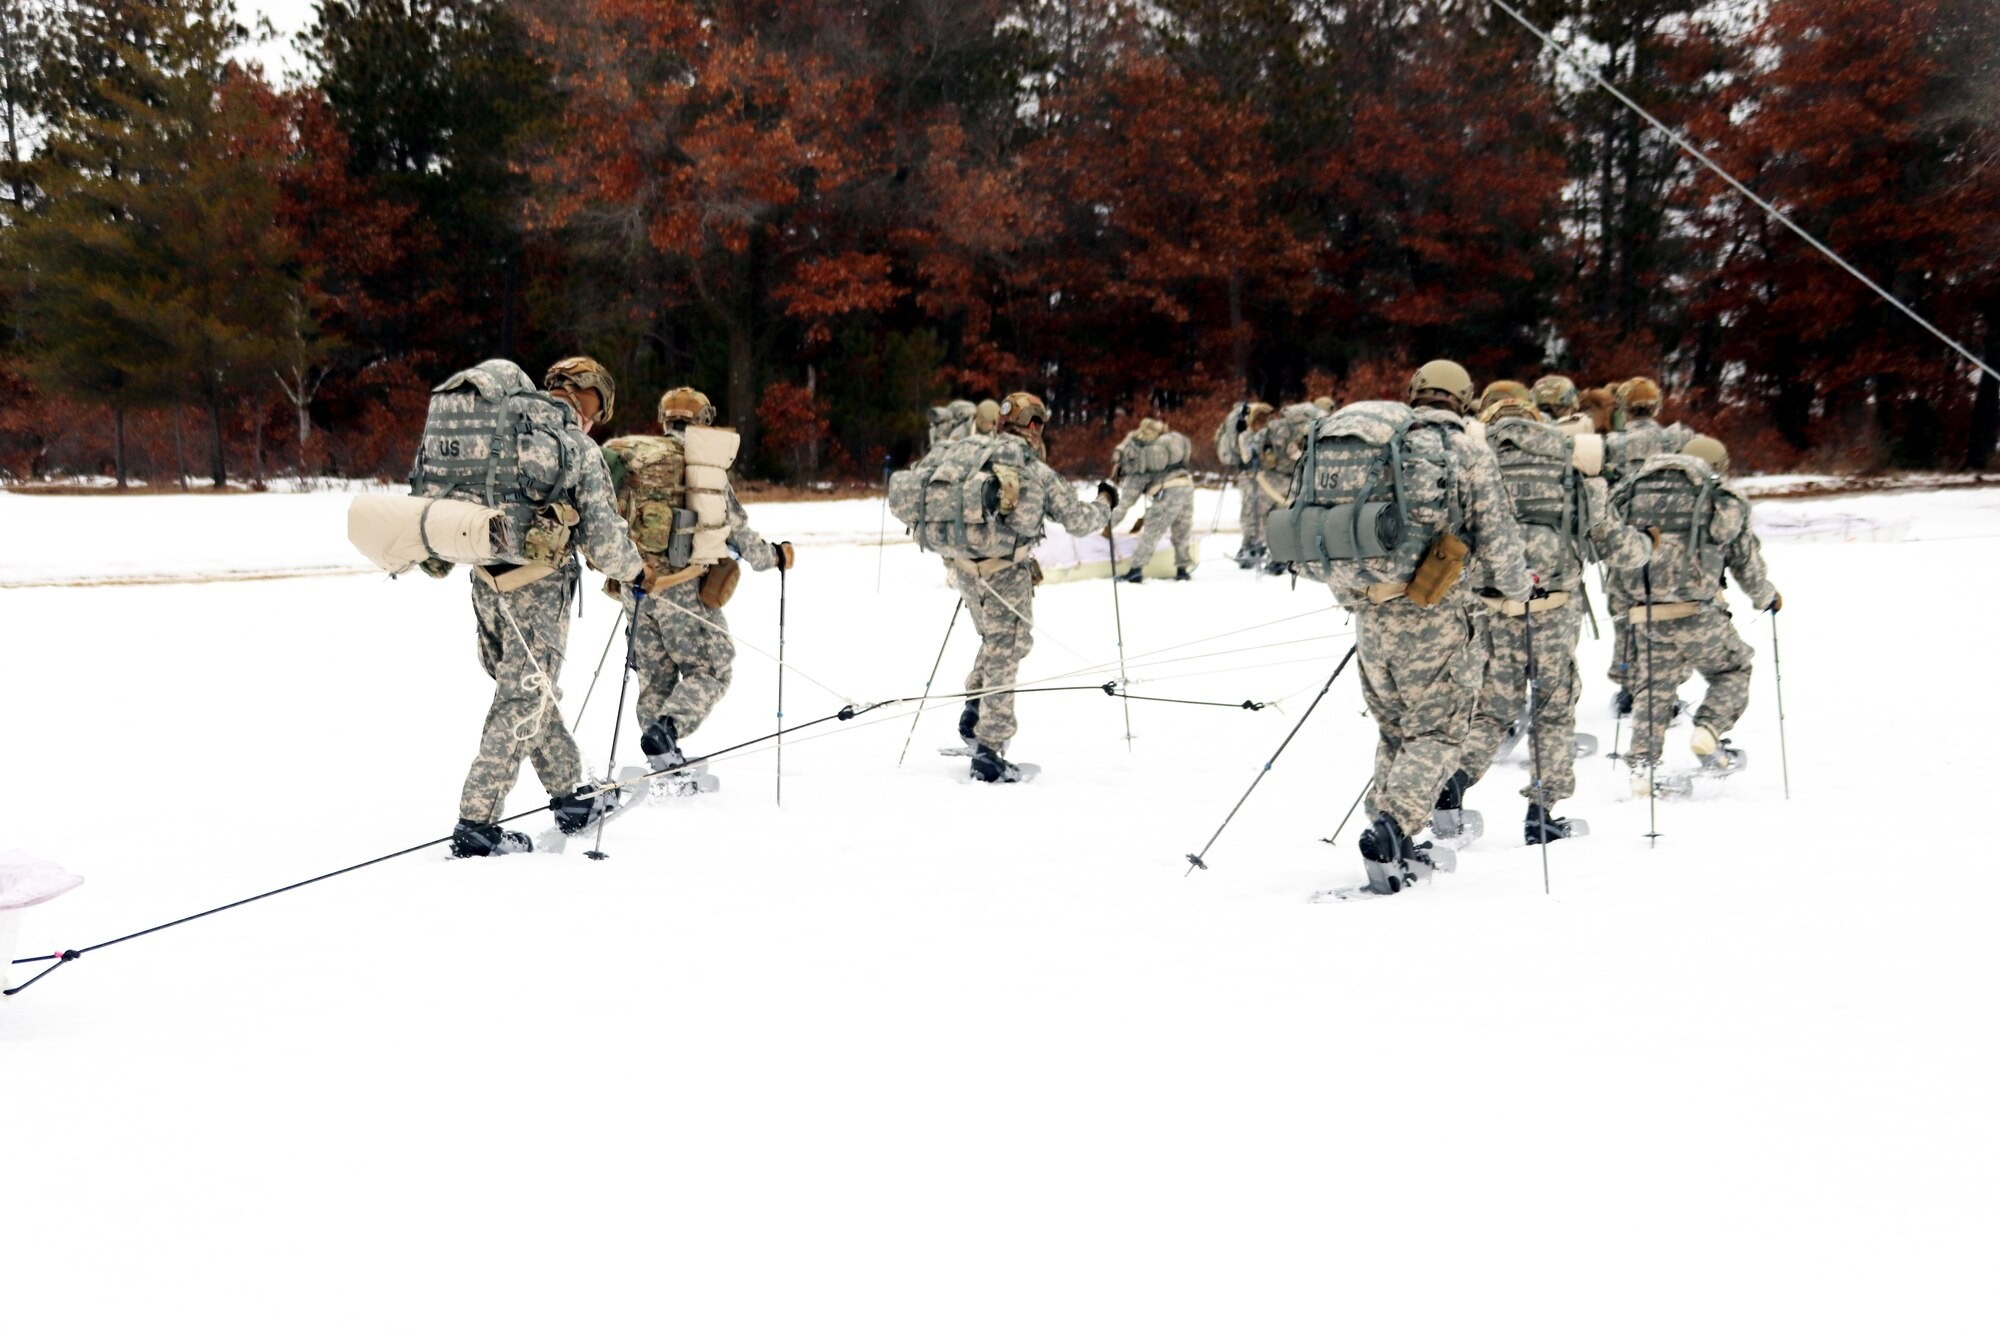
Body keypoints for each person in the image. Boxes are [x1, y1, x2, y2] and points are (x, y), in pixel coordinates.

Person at [1288, 361, 1530, 893]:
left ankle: (1389, 825)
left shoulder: (1379, 439)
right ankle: (1393, 829)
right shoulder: (1465, 449)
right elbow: (1501, 540)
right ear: (1464, 400)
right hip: (1437, 614)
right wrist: (1518, 589)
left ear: (1414, 392)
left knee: (1396, 728)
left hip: (1370, 613)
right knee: (1439, 731)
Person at [408, 356, 647, 857]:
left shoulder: (504, 431)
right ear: (590, 401)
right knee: (523, 698)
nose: (592, 422)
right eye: (596, 411)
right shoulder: (574, 445)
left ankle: (571, 797)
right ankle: (476, 825)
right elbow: (604, 541)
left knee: (527, 692)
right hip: (537, 591)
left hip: (484, 581)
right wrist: (636, 573)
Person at [1447, 381, 1639, 843]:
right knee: (1553, 706)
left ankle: (1454, 782)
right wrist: (1644, 547)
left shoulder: (1470, 461)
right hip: (1554, 605)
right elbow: (1613, 542)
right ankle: (1542, 811)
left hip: (1489, 603)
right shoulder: (1571, 462)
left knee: (1490, 708)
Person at [600, 387, 794, 781]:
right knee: (713, 667)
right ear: (704, 420)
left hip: (634, 584)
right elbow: (734, 528)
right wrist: (774, 556)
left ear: (664, 418)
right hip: (681, 583)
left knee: (655, 676)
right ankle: (666, 732)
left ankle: (661, 760)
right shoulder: (701, 463)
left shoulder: (636, 458)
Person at [940, 391, 1113, 782]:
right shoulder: (1033, 469)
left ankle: (973, 709)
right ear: (1033, 425)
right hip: (1006, 572)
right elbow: (1081, 520)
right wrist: (1106, 501)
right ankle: (988, 750)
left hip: (966, 570)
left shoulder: (970, 454)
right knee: (1006, 652)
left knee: (997, 640)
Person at [1610, 434, 1781, 796]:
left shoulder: (1633, 493)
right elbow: (1744, 560)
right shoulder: (1719, 499)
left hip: (1645, 614)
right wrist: (1766, 597)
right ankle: (1708, 730)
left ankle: (1643, 769)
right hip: (1698, 612)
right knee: (1733, 669)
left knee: (1653, 689)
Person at [1603, 376, 1696, 712]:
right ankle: (1665, 691)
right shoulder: (1677, 439)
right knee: (1669, 613)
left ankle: (1629, 688)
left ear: (1624, 409)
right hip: (1674, 542)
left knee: (1626, 613)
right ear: (1656, 406)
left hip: (1626, 538)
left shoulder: (1613, 443)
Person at [1107, 417, 1196, 582]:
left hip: (1169, 491)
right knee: (1181, 531)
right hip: (1187, 486)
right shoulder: (1168, 449)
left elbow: (1124, 505)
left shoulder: (1139, 468)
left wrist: (1107, 527)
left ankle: (1135, 570)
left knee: (1152, 533)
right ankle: (1182, 570)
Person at [1233, 401, 1276, 566]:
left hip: (1267, 480)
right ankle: (1250, 545)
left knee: (1266, 514)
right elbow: (1246, 457)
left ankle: (1266, 545)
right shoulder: (1245, 435)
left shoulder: (1270, 434)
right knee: (1249, 513)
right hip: (1249, 477)